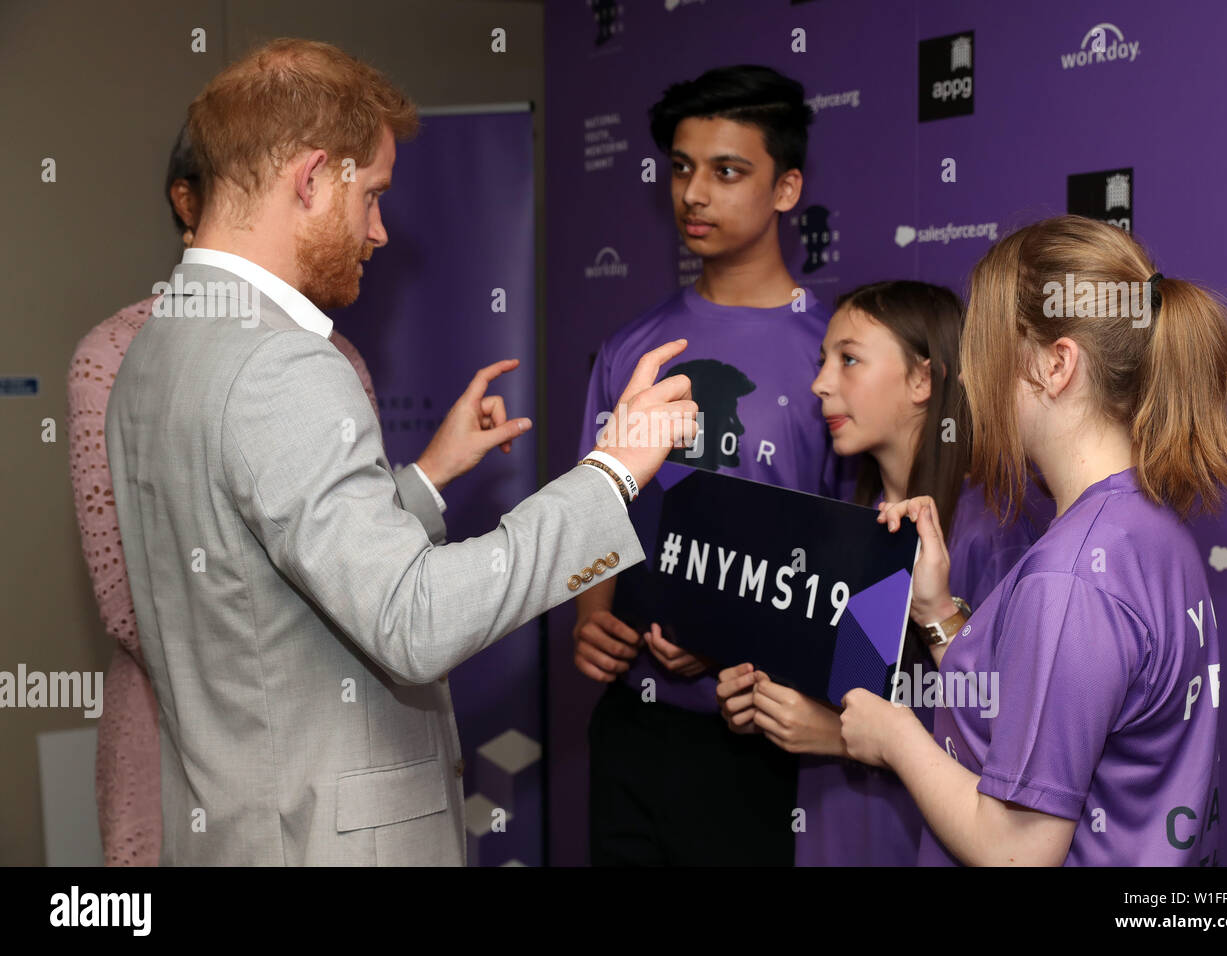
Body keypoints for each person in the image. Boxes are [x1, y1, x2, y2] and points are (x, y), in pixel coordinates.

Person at [104, 37, 696, 866]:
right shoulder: (284, 362)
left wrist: (425, 478)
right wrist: (612, 473)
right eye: (372, 195)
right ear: (312, 180)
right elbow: (412, 621)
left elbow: (255, 573)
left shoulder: (155, 341)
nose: (379, 231)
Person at [840, 214, 1227, 865]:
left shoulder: (1070, 577)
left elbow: (1017, 851)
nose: (971, 381)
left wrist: (894, 736)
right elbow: (1041, 715)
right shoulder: (1144, 524)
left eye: (985, 351)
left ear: (1056, 365)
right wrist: (938, 613)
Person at [66, 124, 389, 866]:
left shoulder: (334, 354)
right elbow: (127, 598)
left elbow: (362, 549)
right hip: (172, 722)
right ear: (188, 201)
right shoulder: (117, 354)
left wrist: (430, 480)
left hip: (328, 731)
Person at [574, 64, 850, 865]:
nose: (695, 193)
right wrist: (591, 620)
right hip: (632, 729)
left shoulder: (832, 351)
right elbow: (597, 505)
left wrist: (738, 641)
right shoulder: (633, 344)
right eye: (683, 168)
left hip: (763, 741)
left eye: (728, 171)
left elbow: (855, 565)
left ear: (786, 188)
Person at [716, 280, 1044, 865]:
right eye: (823, 362)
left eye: (848, 360)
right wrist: (763, 699)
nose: (819, 383)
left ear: (923, 380)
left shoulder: (990, 532)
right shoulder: (843, 526)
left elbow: (1010, 738)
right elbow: (849, 687)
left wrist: (836, 733)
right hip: (831, 830)